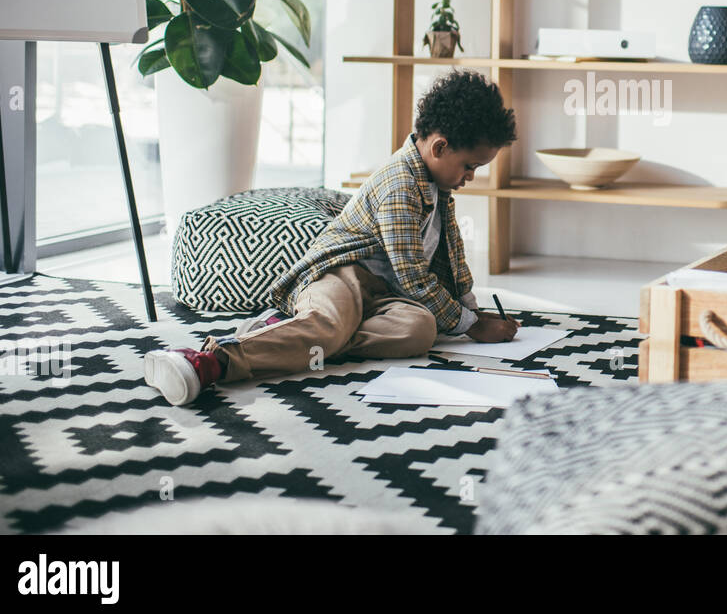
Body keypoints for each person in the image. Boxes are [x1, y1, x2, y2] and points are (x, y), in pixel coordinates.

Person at [144, 70, 519, 406]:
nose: (470, 176)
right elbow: (414, 276)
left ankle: (295, 334)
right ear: (439, 147)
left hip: (384, 294)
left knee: (419, 330)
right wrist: (470, 324)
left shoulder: (439, 186)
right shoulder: (400, 184)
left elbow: (453, 254)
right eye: (470, 166)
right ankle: (212, 361)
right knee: (331, 325)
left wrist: (470, 306)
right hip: (342, 276)